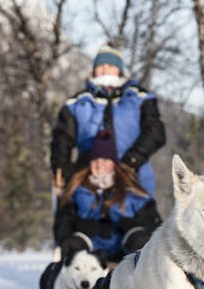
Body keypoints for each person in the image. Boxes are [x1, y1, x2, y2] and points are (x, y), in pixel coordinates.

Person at [50, 44, 165, 202]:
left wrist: (132, 161)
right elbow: (61, 139)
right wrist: (63, 170)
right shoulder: (77, 103)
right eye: (100, 66)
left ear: (119, 70)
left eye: (110, 66)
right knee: (83, 220)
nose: (104, 70)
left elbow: (155, 131)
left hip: (133, 173)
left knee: (137, 220)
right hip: (88, 176)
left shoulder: (139, 98)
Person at [54, 129, 162, 265]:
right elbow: (62, 222)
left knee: (143, 241)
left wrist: (134, 227)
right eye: (95, 160)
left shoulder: (133, 193)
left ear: (113, 163)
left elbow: (155, 225)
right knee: (72, 244)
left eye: (105, 159)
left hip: (126, 254)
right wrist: (76, 228)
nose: (100, 165)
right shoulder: (77, 192)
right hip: (89, 255)